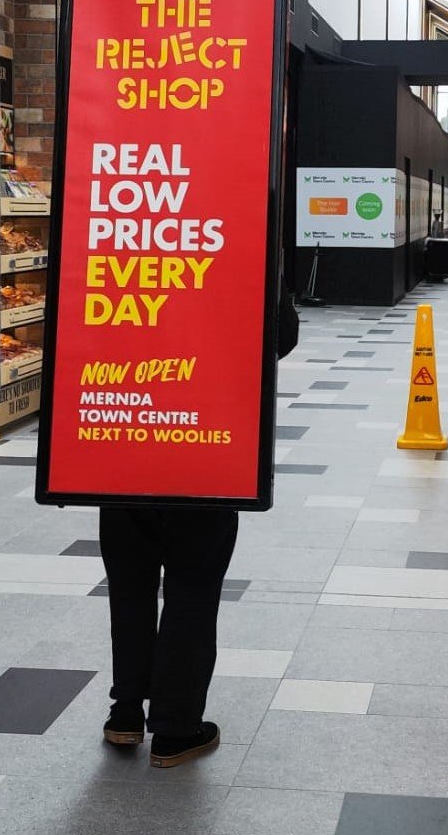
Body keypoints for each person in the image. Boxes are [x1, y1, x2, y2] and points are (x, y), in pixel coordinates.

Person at [100, 278, 300, 768]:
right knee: (191, 590)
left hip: (124, 443)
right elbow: (282, 335)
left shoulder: (116, 242)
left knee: (130, 587)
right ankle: (175, 728)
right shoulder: (235, 241)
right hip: (203, 444)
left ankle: (125, 713)